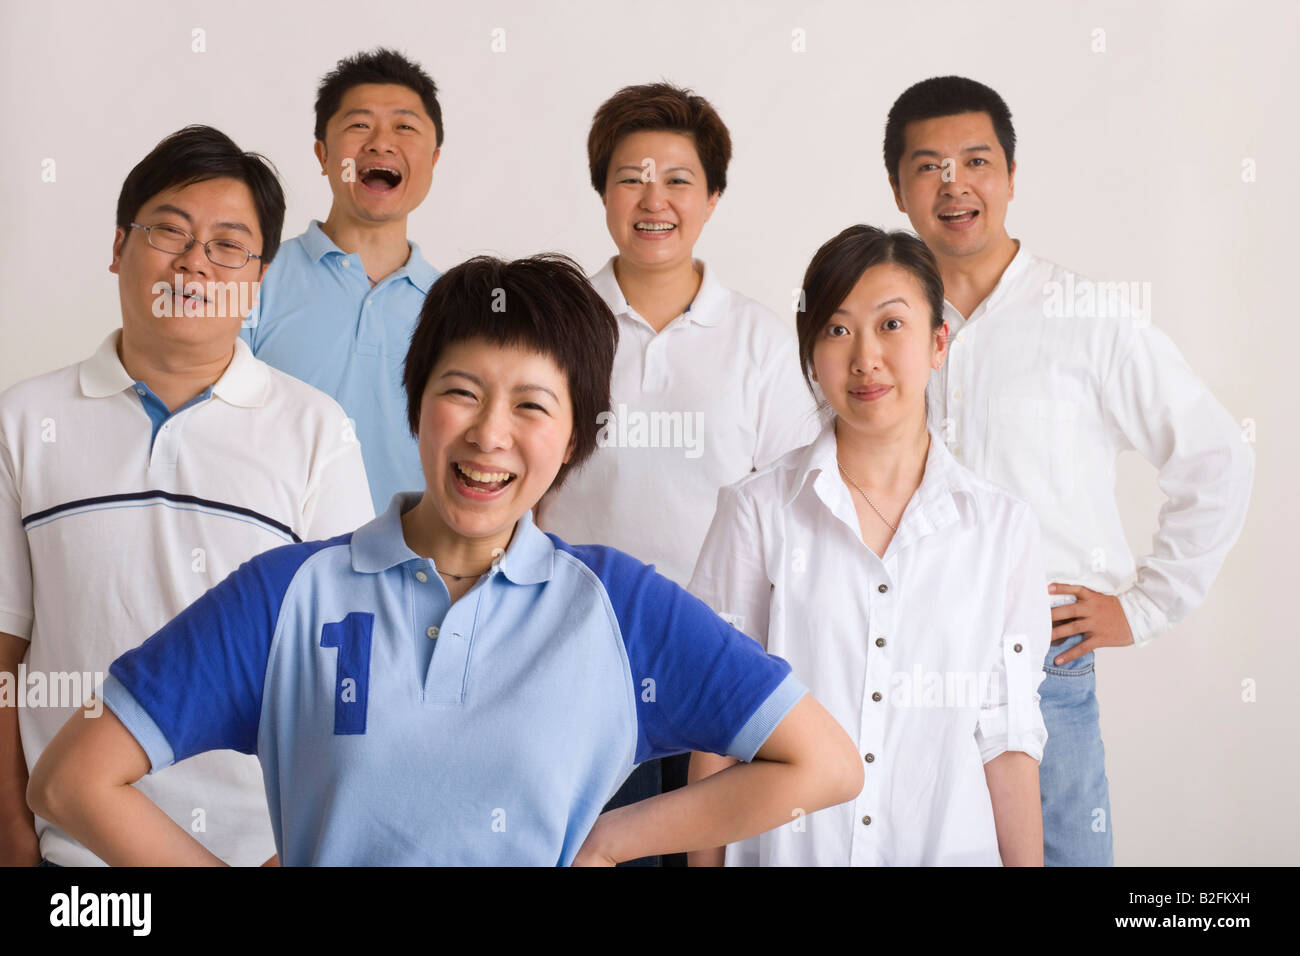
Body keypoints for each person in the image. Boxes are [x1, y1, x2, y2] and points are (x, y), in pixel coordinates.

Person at [27, 254, 864, 866]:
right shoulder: (290, 596)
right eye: (461, 391)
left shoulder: (619, 607)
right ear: (416, 405)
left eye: (531, 405)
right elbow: (70, 782)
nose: (489, 434)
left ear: (574, 439)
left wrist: (611, 840)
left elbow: (824, 764)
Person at [881, 76, 1255, 865]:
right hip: (904, 655)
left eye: (976, 160)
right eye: (929, 166)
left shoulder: (1090, 319)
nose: (954, 185)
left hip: (1043, 659)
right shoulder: (882, 321)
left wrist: (1146, 608)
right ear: (898, 188)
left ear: (1011, 177)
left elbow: (1217, 456)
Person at [0, 125, 373, 867]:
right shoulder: (23, 421)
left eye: (229, 245)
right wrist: (13, 839)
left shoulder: (315, 431)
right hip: (74, 860)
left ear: (258, 276)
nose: (195, 261)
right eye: (169, 231)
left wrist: (304, 849)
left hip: (256, 851)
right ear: (117, 248)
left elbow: (354, 666)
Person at [688, 226, 1049, 866]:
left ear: (939, 342)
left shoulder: (1000, 528)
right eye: (837, 329)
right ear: (811, 354)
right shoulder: (757, 510)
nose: (864, 358)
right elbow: (718, 723)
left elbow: (1007, 736)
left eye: (891, 325)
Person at [536, 82, 820, 864]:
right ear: (602, 192)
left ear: (713, 196)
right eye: (631, 177)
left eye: (677, 179)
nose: (652, 199)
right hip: (577, 655)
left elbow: (794, 510)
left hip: (717, 660)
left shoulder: (761, 344)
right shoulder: (556, 327)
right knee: (583, 850)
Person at [241, 48, 443, 513]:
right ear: (323, 154)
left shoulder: (457, 307)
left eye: (405, 127)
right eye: (359, 125)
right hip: (275, 553)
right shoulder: (256, 277)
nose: (380, 143)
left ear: (433, 160)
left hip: (411, 563)